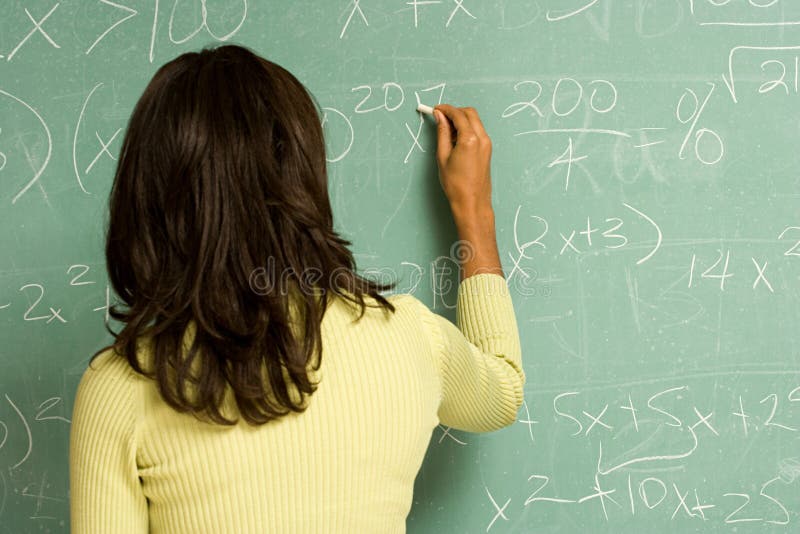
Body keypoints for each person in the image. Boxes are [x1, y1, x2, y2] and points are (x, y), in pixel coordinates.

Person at [69, 44, 524, 533]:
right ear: (303, 174)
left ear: (147, 196)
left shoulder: (122, 387)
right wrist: (473, 210)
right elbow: (501, 391)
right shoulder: (412, 338)